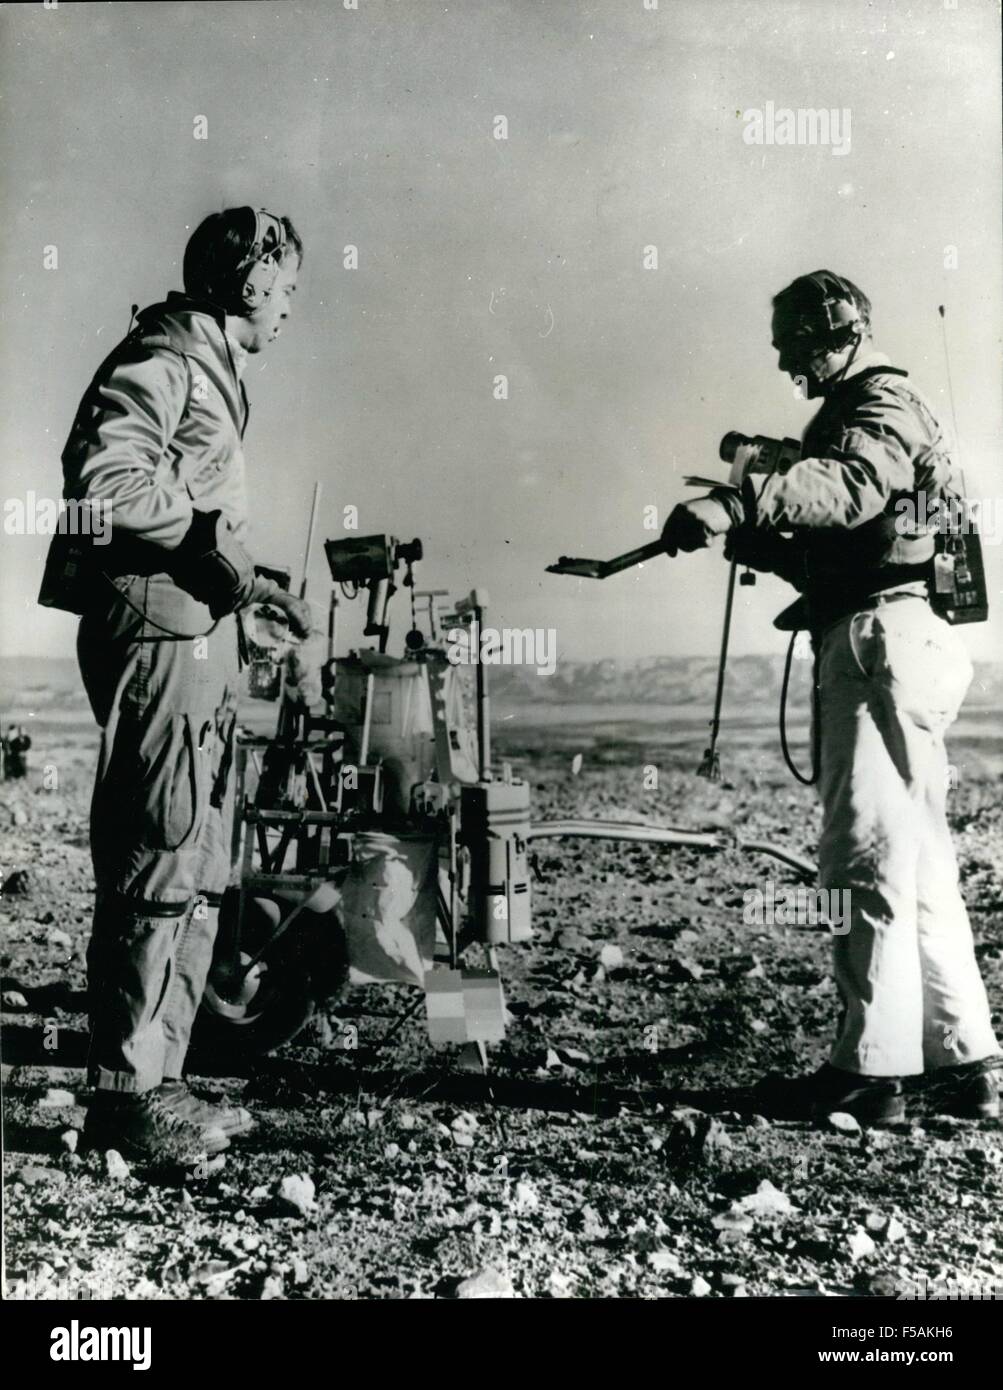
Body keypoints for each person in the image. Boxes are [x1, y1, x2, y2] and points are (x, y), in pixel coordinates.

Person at [661, 269, 999, 1123]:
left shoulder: (876, 408)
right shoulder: (873, 410)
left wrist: (744, 492)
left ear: (835, 333)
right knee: (915, 862)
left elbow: (849, 489)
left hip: (879, 640)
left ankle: (870, 1073)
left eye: (795, 348)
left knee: (864, 857)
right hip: (898, 633)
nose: (787, 367)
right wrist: (743, 529)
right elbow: (843, 538)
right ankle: (964, 1066)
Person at [39, 207, 313, 1163]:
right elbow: (105, 484)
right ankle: (126, 1097)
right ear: (253, 281)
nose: (287, 309)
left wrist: (247, 579)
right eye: (285, 289)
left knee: (194, 859)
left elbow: (185, 517)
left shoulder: (207, 368)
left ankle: (163, 1078)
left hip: (190, 632)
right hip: (156, 633)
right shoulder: (166, 356)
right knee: (159, 851)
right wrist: (210, 551)